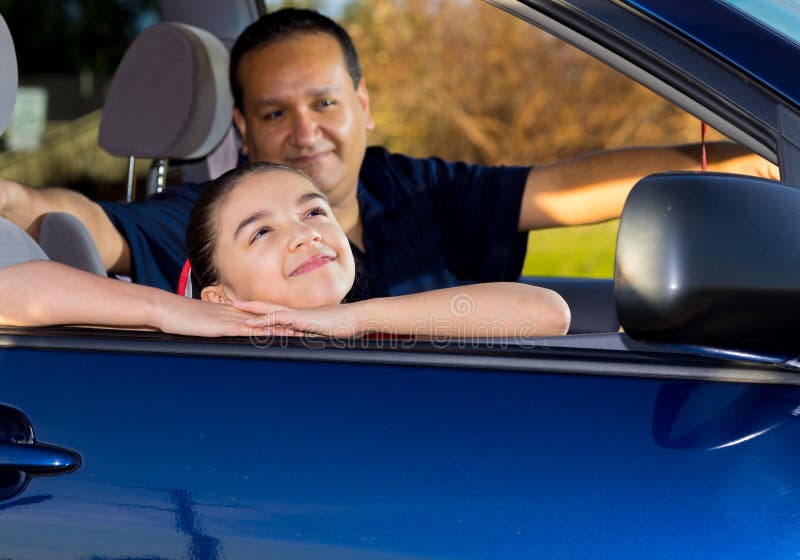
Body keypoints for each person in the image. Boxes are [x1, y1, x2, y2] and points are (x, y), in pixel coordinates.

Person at [0, 8, 778, 295]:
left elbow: (564, 188)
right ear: (243, 128)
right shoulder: (221, 217)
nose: (306, 132)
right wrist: (23, 203)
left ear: (362, 105)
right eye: (276, 112)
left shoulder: (414, 189)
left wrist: (742, 158)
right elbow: (88, 224)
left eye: (325, 103)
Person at [0, 162, 570, 339]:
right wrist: (167, 310)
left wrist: (354, 320)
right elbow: (13, 291)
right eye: (261, 231)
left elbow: (547, 312)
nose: (304, 232)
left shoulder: (378, 323)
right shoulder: (214, 330)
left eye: (314, 211)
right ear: (220, 293)